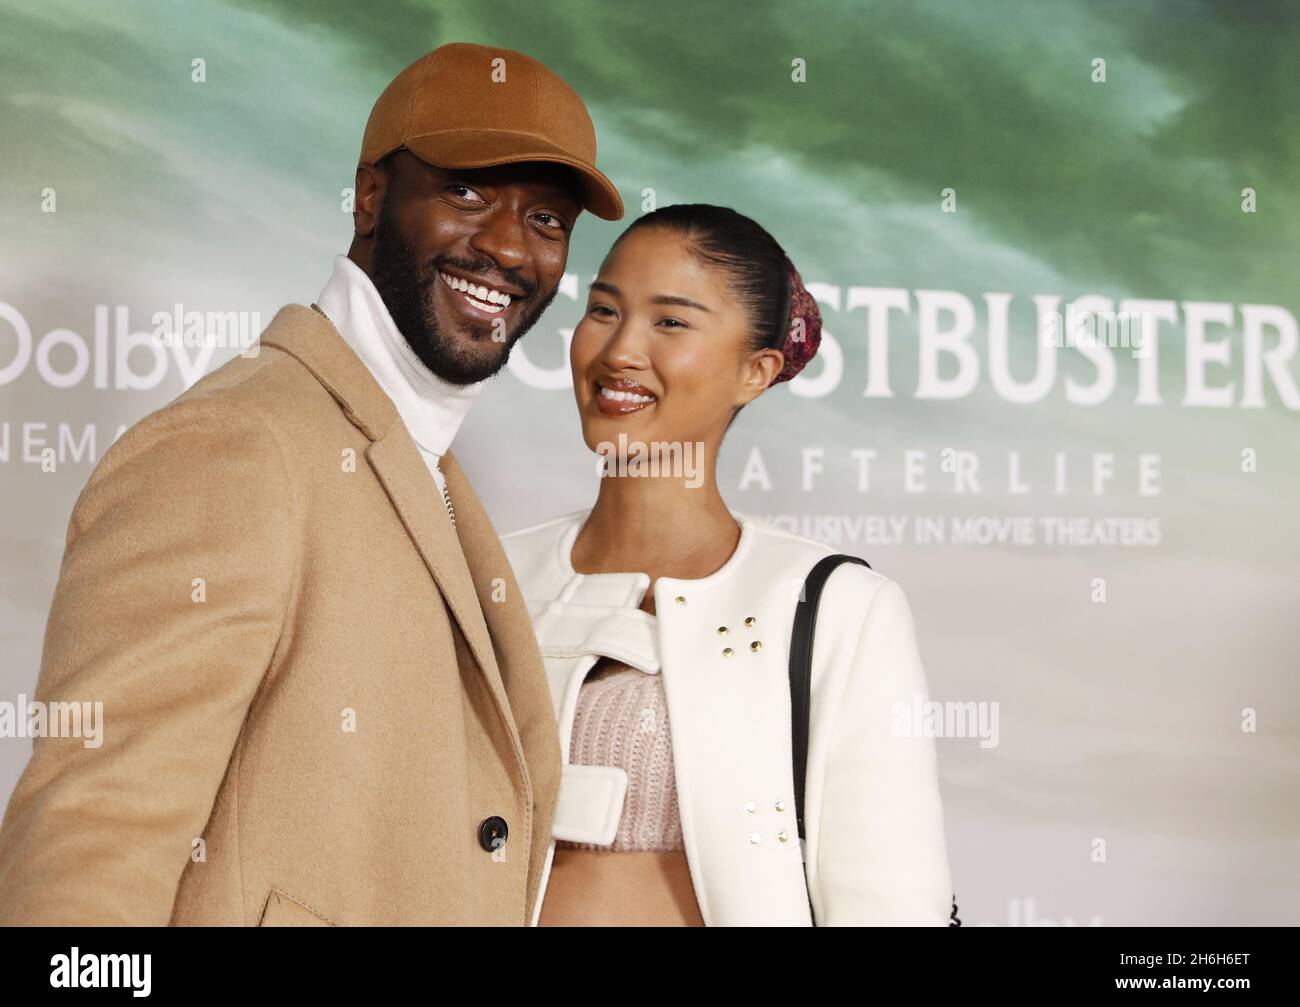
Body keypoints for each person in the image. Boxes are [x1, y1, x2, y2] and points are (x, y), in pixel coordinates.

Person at [0, 42, 624, 925]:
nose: (507, 249)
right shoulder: (234, 444)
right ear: (371, 197)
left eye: (547, 221)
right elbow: (91, 839)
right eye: (468, 193)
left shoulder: (423, 466)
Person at [502, 204, 953, 926]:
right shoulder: (491, 574)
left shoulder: (838, 608)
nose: (619, 349)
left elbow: (892, 907)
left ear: (755, 371)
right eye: (603, 310)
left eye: (671, 322)